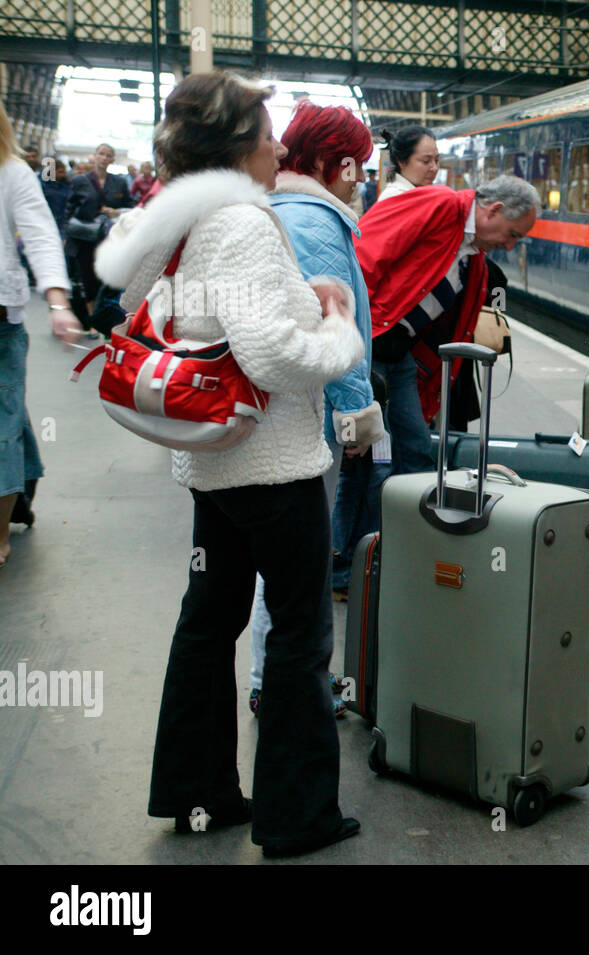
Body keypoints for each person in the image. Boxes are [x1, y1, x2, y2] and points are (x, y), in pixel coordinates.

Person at [94, 71, 365, 857]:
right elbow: (273, 355)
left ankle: (196, 789)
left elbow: (162, 310)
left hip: (211, 463)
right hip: (273, 466)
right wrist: (338, 330)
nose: (281, 147)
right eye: (269, 133)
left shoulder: (176, 217)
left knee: (207, 627)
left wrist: (299, 291)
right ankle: (296, 815)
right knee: (298, 640)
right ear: (242, 145)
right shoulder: (245, 222)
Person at [242, 99, 385, 715]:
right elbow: (337, 329)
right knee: (291, 564)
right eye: (356, 165)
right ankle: (281, 685)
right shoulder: (315, 219)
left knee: (272, 562)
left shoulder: (287, 207)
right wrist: (356, 417)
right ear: (333, 162)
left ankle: (267, 678)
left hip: (281, 406)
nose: (361, 178)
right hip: (306, 411)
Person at [355, 174, 539, 475]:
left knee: (414, 450)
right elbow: (365, 256)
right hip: (369, 346)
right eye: (512, 234)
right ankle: (368, 523)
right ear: (493, 210)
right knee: (370, 461)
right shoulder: (439, 205)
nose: (508, 246)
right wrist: (351, 335)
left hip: (397, 354)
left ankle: (405, 519)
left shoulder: (472, 255)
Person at [1, 107, 82, 567]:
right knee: (9, 417)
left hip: (1, 321)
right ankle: (22, 488)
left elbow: (40, 235)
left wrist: (57, 302)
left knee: (2, 428)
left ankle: (0, 534)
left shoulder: (13, 172)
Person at [66, 142, 134, 332]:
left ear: (113, 159)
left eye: (108, 155)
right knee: (87, 277)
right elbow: (70, 209)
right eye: (101, 154)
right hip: (84, 237)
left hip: (110, 238)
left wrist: (116, 212)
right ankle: (92, 320)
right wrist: (66, 235)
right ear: (94, 156)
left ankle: (102, 315)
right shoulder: (80, 180)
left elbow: (130, 206)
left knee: (106, 277)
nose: (104, 158)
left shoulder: (119, 182)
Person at [374, 126, 438, 203]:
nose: (434, 168)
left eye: (436, 160)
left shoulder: (422, 193)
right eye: (426, 161)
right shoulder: (395, 197)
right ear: (401, 161)